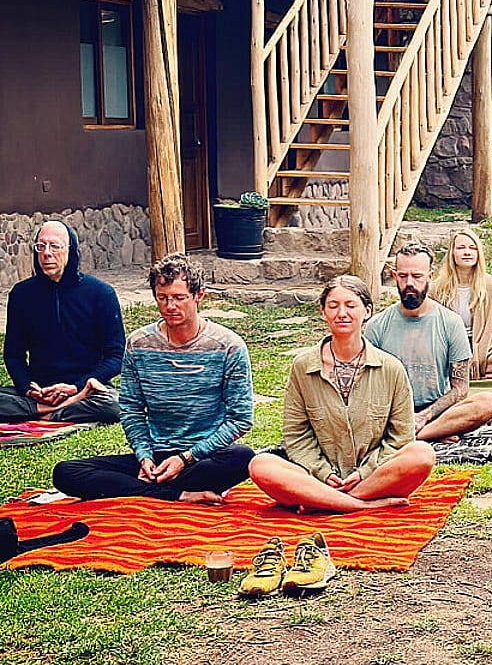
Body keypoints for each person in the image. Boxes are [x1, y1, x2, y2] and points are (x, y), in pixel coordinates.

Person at [53, 254, 254, 503]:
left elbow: (241, 419)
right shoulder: (139, 343)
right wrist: (144, 457)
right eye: (163, 298)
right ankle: (177, 495)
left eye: (179, 298)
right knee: (66, 472)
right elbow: (131, 408)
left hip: (203, 456)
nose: (170, 306)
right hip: (156, 454)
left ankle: (145, 491)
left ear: (198, 295)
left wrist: (185, 458)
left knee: (242, 457)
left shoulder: (228, 345)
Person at [248, 276, 435, 514]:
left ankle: (327, 502)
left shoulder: (391, 368)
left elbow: (401, 437)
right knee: (261, 465)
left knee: (422, 454)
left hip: (374, 477)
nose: (342, 313)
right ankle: (359, 505)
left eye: (350, 305)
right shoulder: (303, 366)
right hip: (317, 477)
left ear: (367, 311)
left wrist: (364, 473)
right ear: (323, 312)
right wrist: (323, 474)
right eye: (333, 306)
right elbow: (296, 435)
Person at [366, 241, 492, 441]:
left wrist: (425, 415)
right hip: (390, 413)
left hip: (436, 411)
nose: (409, 283)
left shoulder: (451, 323)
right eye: (403, 276)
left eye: (417, 276)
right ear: (395, 277)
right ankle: (424, 435)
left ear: (430, 277)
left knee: (488, 403)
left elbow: (460, 388)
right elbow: (368, 386)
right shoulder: (377, 325)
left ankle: (415, 436)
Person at [0, 220, 125, 424]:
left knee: (115, 406)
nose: (47, 253)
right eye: (41, 246)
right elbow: (13, 354)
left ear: (71, 251)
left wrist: (77, 387)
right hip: (39, 390)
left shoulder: (100, 293)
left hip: (86, 389)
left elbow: (116, 355)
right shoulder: (22, 294)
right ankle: (49, 410)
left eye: (55, 246)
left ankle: (44, 412)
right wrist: (28, 388)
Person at [429, 228, 492, 379]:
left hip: (486, 346)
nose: (467, 252)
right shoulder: (437, 287)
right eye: (461, 248)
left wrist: (481, 350)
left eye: (472, 248)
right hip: (451, 348)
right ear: (452, 254)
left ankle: (466, 370)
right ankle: (480, 371)